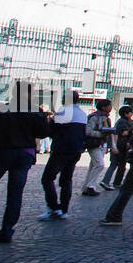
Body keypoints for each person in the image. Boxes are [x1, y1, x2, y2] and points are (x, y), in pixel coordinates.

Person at [0, 103, 50, 242]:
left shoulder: (0, 109)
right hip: (24, 154)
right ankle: (7, 232)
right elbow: (43, 133)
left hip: (0, 153)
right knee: (15, 195)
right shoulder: (35, 111)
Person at [38, 92, 88, 220]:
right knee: (67, 179)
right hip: (76, 150)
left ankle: (54, 207)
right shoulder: (82, 114)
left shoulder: (63, 112)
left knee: (47, 178)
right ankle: (64, 209)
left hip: (61, 150)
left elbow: (50, 131)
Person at [80, 99, 114, 197]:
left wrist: (109, 145)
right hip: (94, 143)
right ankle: (90, 186)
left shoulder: (107, 118)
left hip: (102, 144)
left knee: (93, 166)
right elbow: (88, 131)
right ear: (103, 107)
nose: (111, 107)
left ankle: (86, 188)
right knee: (100, 164)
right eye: (109, 105)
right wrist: (100, 134)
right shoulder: (94, 117)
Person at [101, 105, 133, 190]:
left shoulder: (122, 121)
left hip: (119, 146)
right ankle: (109, 182)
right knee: (118, 165)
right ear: (126, 114)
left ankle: (114, 182)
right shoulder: (123, 122)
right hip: (120, 146)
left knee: (117, 165)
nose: (132, 114)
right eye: (131, 112)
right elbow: (123, 133)